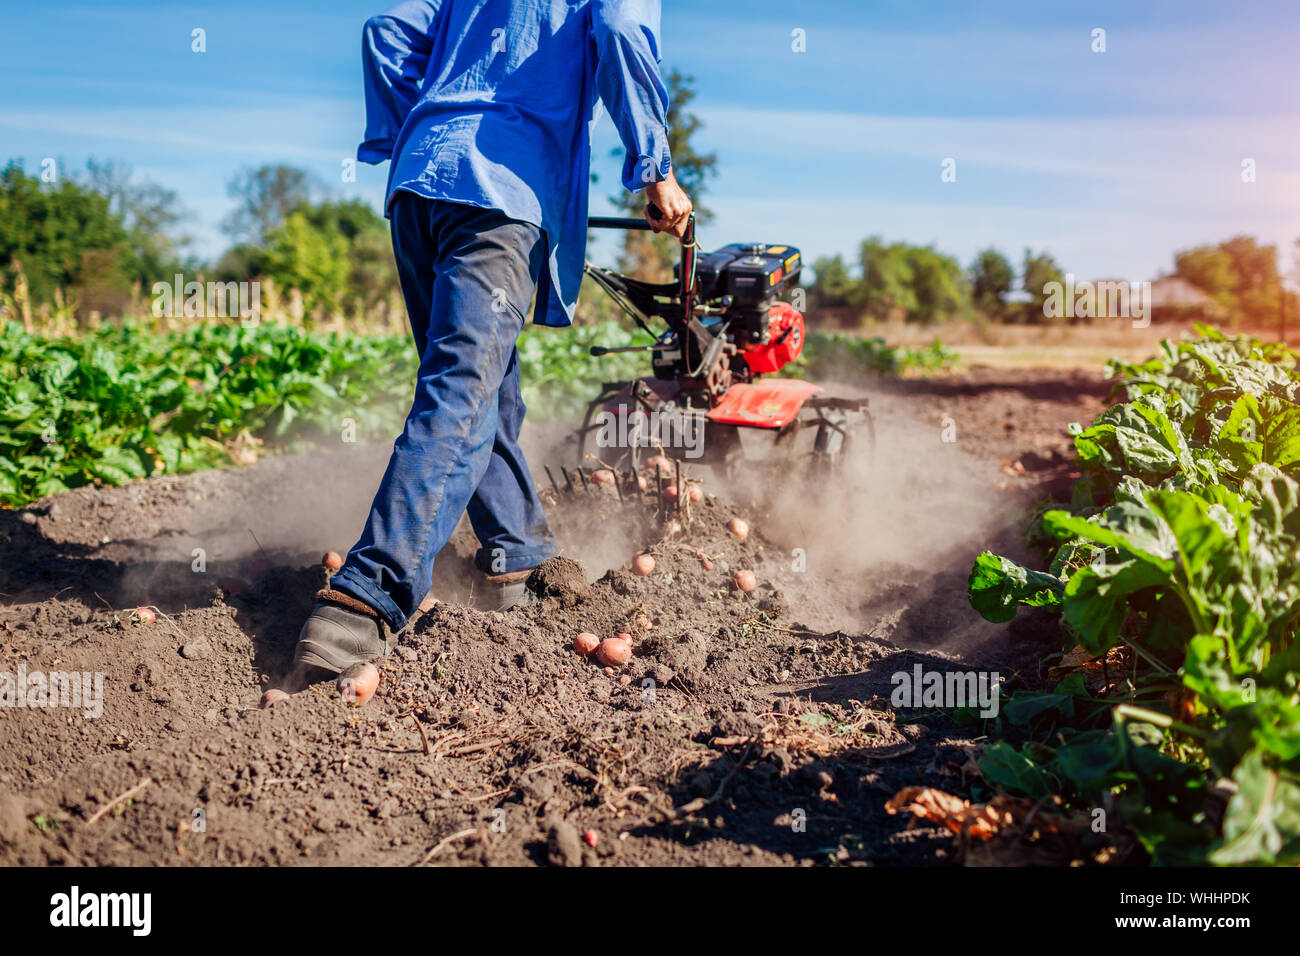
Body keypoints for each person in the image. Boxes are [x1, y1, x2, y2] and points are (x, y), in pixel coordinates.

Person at [265, 0, 692, 703]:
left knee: (485, 389)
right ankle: (365, 598)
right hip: (503, 190)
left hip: (420, 184)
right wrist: (655, 171)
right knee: (461, 396)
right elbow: (618, 30)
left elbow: (386, 31)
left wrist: (430, 124)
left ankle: (516, 560)